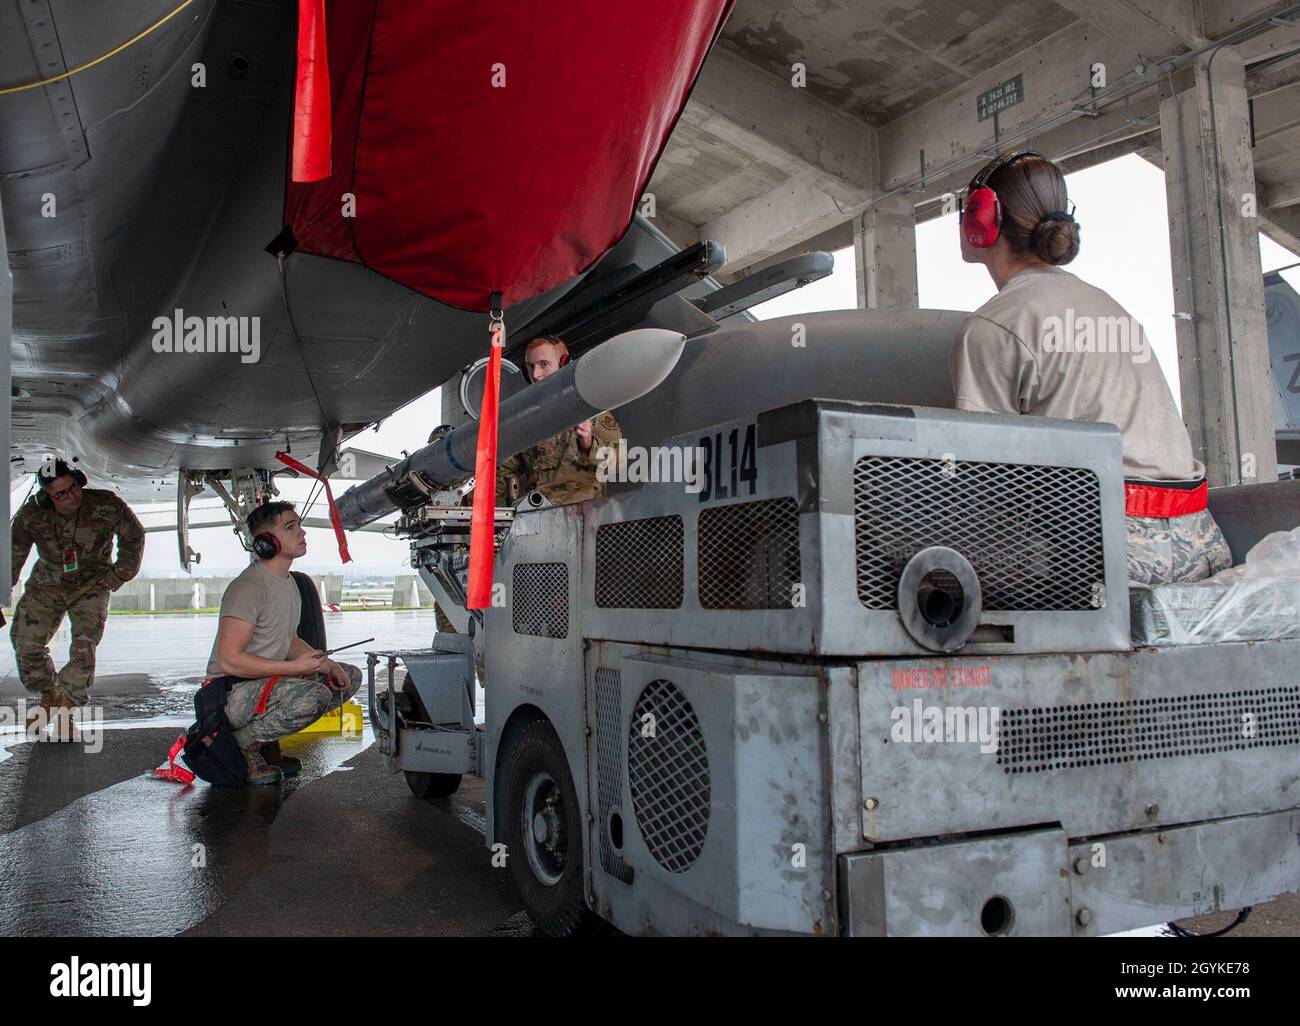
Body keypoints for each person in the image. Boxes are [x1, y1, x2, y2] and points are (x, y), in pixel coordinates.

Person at [949, 150, 1232, 587]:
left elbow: (981, 487)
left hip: (1111, 553)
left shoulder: (993, 324)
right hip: (1201, 541)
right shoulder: (1113, 309)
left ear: (981, 220)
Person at [207, 501, 361, 784]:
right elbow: (229, 660)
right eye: (291, 527)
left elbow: (288, 640)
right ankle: (243, 745)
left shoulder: (287, 582)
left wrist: (327, 665)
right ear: (266, 542)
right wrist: (294, 669)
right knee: (313, 695)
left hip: (263, 686)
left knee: (348, 677)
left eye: (299, 525)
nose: (302, 533)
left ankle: (268, 741)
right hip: (229, 693)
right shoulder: (248, 588)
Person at [11, 459, 145, 735]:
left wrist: (118, 575)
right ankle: (50, 694)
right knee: (25, 644)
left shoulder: (105, 505)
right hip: (47, 585)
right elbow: (13, 555)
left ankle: (66, 707)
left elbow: (134, 537)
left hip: (92, 584)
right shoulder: (32, 515)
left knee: (84, 645)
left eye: (73, 487)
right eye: (61, 494)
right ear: (47, 497)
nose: (71, 496)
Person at [494, 335, 623, 506]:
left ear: (564, 365)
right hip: (534, 514)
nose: (535, 374)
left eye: (544, 365)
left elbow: (619, 462)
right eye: (530, 367)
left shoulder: (590, 410)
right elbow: (503, 471)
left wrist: (589, 444)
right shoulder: (528, 418)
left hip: (579, 517)